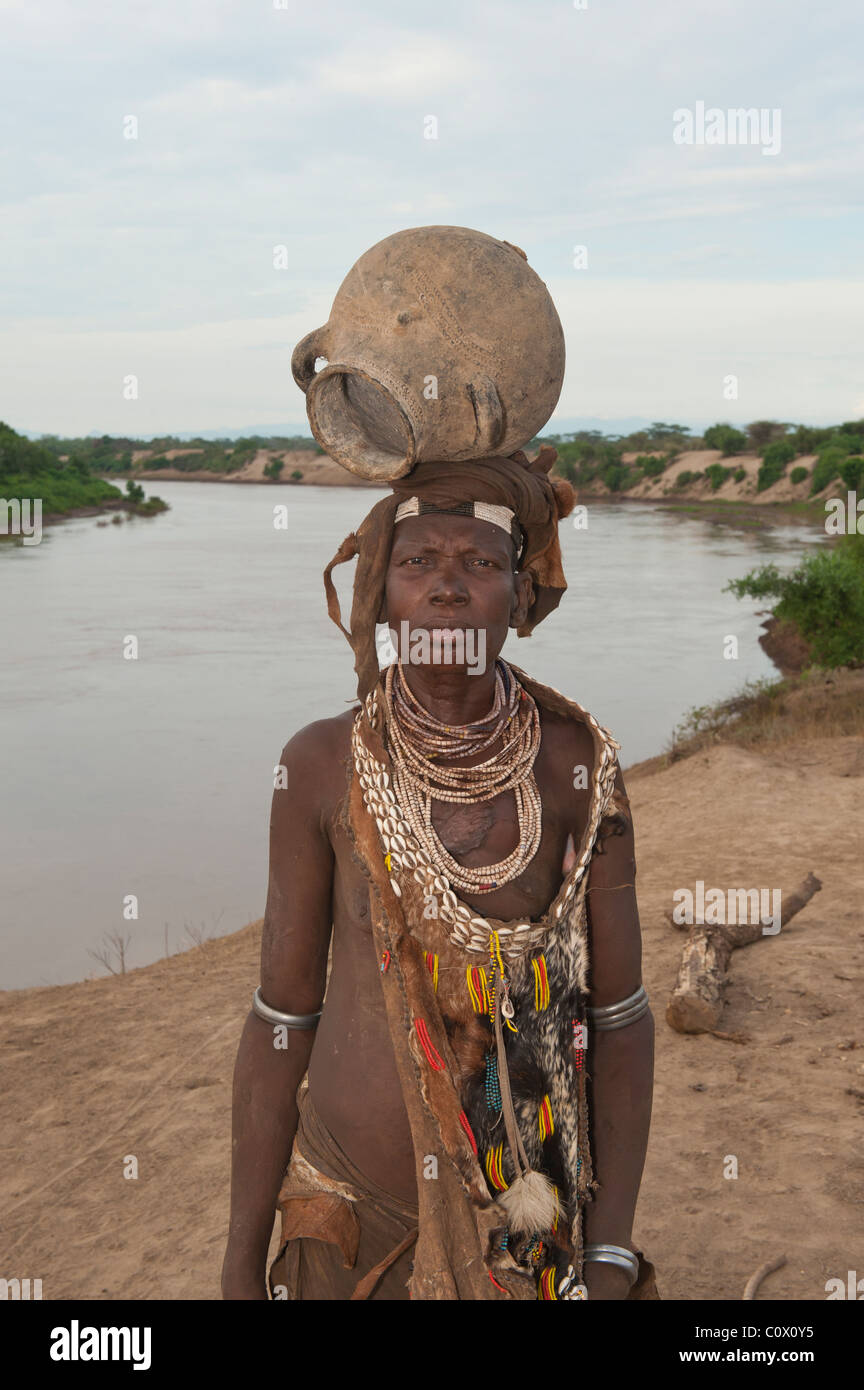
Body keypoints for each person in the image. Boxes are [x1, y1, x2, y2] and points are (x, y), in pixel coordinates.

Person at [221, 447, 657, 1300]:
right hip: (348, 1217)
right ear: (382, 593)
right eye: (419, 562)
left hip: (526, 1214)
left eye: (481, 563)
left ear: (520, 597)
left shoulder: (576, 763)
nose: (447, 586)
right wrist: (241, 1259)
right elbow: (280, 1016)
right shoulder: (320, 764)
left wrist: (608, 1250)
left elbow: (622, 1018)